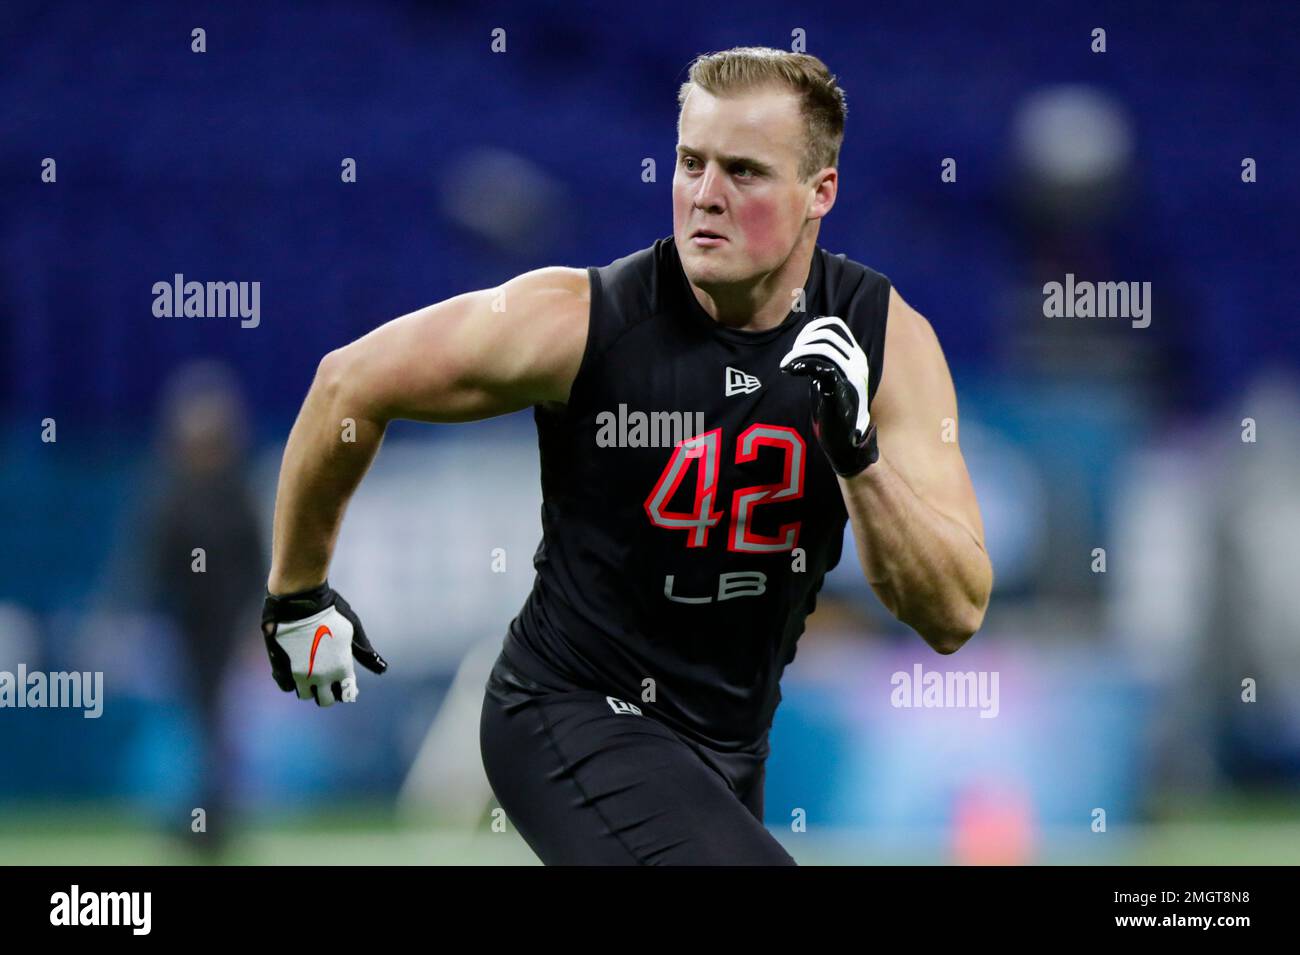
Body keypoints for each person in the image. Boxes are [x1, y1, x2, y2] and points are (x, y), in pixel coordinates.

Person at [261, 47, 992, 865]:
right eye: (690, 162)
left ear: (819, 191)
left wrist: (859, 460)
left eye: (744, 171)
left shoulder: (885, 338)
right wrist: (297, 591)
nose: (705, 196)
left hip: (726, 749)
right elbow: (347, 384)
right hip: (567, 707)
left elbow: (954, 613)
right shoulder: (582, 321)